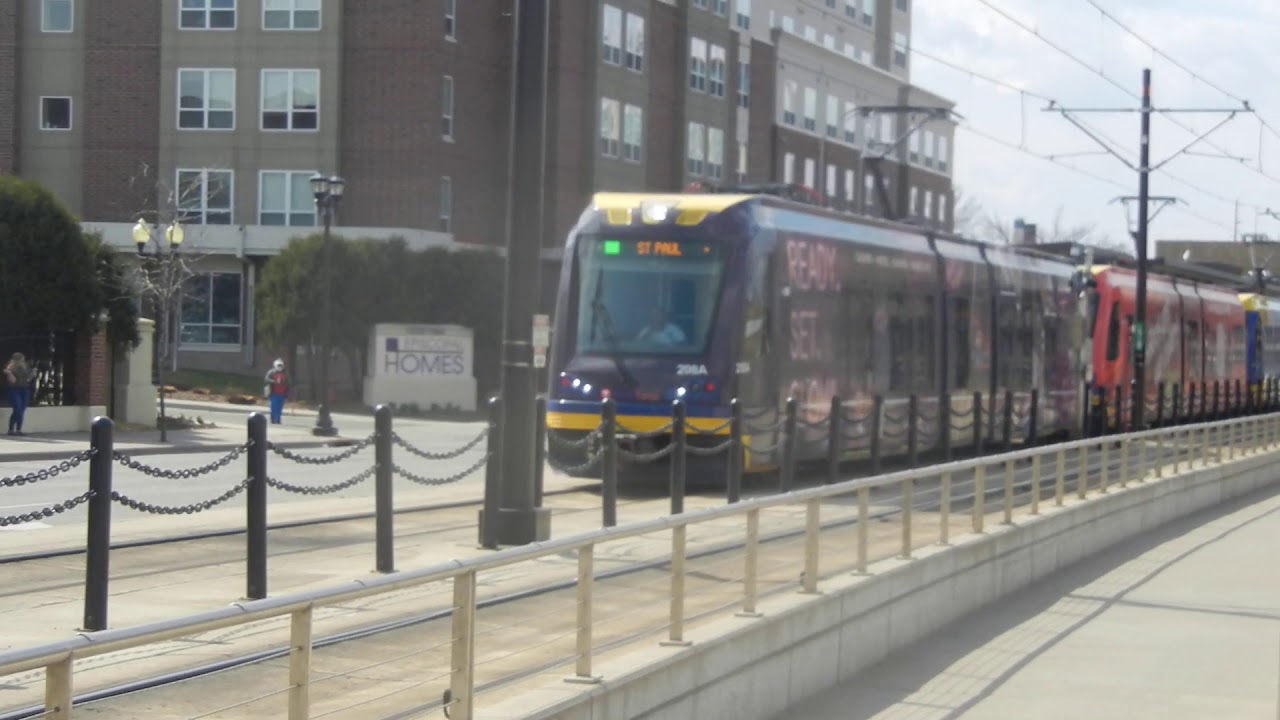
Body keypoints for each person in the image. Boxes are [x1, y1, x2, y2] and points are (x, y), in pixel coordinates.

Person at [4, 352, 33, 436]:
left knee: (22, 409)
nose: (22, 361)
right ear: (16, 360)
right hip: (15, 389)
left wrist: (32, 374)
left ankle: (18, 429)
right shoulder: (11, 368)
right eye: (21, 360)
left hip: (25, 389)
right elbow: (13, 381)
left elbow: (28, 379)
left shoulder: (25, 367)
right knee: (17, 408)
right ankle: (11, 429)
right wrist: (9, 373)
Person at [264, 359, 289, 424]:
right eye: (278, 365)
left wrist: (287, 393)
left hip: (282, 393)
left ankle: (278, 419)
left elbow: (288, 382)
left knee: (279, 408)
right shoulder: (271, 372)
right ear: (275, 365)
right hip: (274, 393)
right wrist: (274, 381)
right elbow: (266, 379)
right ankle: (273, 419)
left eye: (281, 366)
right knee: (273, 406)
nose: (280, 367)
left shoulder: (285, 373)